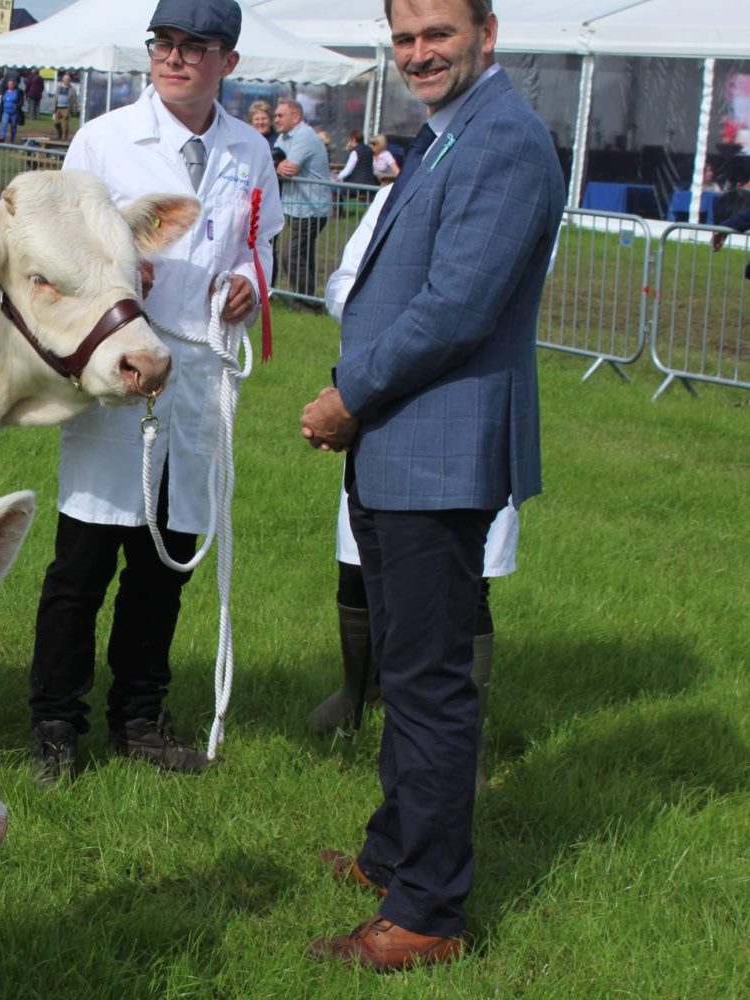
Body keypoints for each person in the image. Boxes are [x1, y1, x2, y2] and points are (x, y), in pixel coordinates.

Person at [299, 0, 563, 970]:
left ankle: (428, 913)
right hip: (405, 445)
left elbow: (455, 307)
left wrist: (347, 395)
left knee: (430, 686)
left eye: (438, 35)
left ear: (486, 32)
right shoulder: (452, 132)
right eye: (405, 39)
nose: (418, 55)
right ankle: (394, 854)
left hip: (435, 450)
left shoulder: (505, 139)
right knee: (411, 672)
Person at [28, 0, 281, 785]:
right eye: (163, 45)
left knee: (165, 561)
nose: (174, 60)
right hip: (120, 371)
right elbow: (59, 243)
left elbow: (258, 242)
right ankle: (55, 725)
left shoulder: (251, 151)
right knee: (85, 558)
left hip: (198, 376)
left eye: (195, 48)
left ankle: (140, 716)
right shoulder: (105, 141)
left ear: (227, 64)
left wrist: (245, 282)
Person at [310, 184, 518, 794]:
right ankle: (359, 691)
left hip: (455, 407)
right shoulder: (396, 191)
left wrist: (407, 317)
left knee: (458, 583)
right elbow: (343, 281)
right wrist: (388, 315)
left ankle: (463, 743)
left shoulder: (498, 184)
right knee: (361, 567)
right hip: (380, 396)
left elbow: (472, 299)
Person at [272, 98, 332, 310]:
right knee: (303, 255)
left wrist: (277, 164)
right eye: (276, 115)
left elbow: (290, 168)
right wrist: (278, 164)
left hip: (311, 207)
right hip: (296, 206)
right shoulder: (283, 137)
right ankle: (306, 301)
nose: (276, 119)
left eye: (281, 115)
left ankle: (307, 302)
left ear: (296, 117)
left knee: (291, 254)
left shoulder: (304, 136)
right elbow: (276, 160)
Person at [0, 76, 21, 143]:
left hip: (14, 112)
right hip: (5, 112)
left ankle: (12, 140)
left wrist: (17, 106)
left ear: (14, 85)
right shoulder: (5, 92)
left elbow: (20, 101)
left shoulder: (17, 92)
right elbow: (2, 101)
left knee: (13, 127)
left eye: (11, 84)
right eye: (9, 84)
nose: (10, 85)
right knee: (4, 124)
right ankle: (2, 137)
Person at [51, 71, 75, 140]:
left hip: (66, 108)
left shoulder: (72, 89)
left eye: (68, 80)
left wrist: (77, 105)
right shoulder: (59, 88)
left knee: (65, 124)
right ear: (63, 80)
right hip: (58, 107)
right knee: (56, 123)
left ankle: (65, 137)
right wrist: (53, 107)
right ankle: (60, 133)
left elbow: (74, 98)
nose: (67, 81)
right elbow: (55, 97)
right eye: (66, 80)